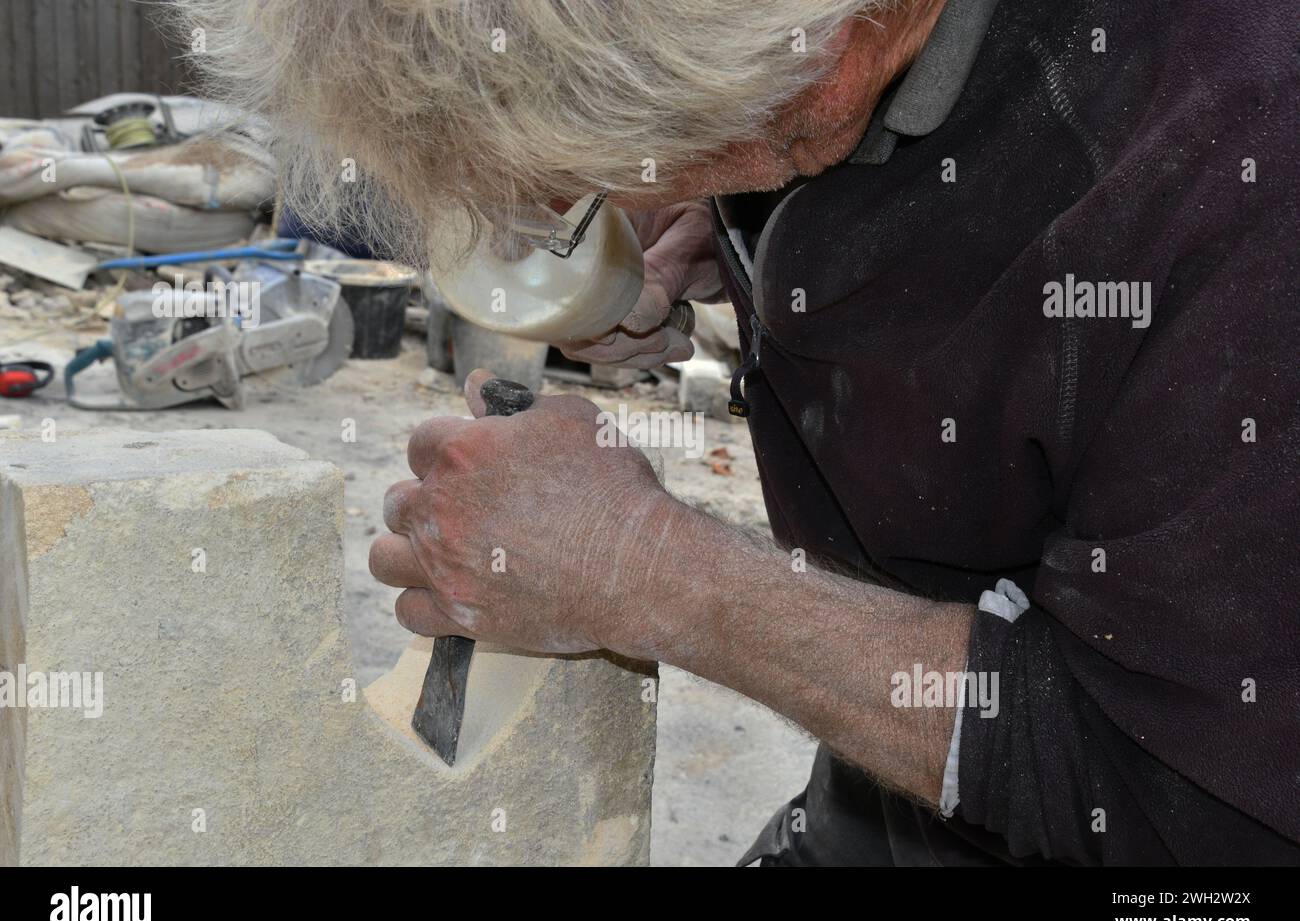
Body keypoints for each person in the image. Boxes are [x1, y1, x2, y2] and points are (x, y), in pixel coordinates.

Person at [175, 0, 1300, 864]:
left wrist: (649, 571)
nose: (606, 199)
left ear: (825, 59)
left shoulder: (1242, 158)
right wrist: (751, 238)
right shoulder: (782, 45)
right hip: (894, 796)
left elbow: (1184, 803)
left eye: (609, 167)